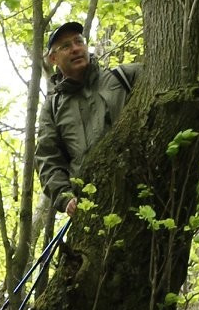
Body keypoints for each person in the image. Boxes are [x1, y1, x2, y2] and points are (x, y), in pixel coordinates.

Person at [34, 22, 139, 217]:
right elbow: (48, 159)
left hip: (140, 195)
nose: (75, 49)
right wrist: (65, 198)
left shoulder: (125, 77)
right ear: (53, 58)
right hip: (91, 208)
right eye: (66, 46)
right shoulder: (52, 108)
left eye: (78, 42)